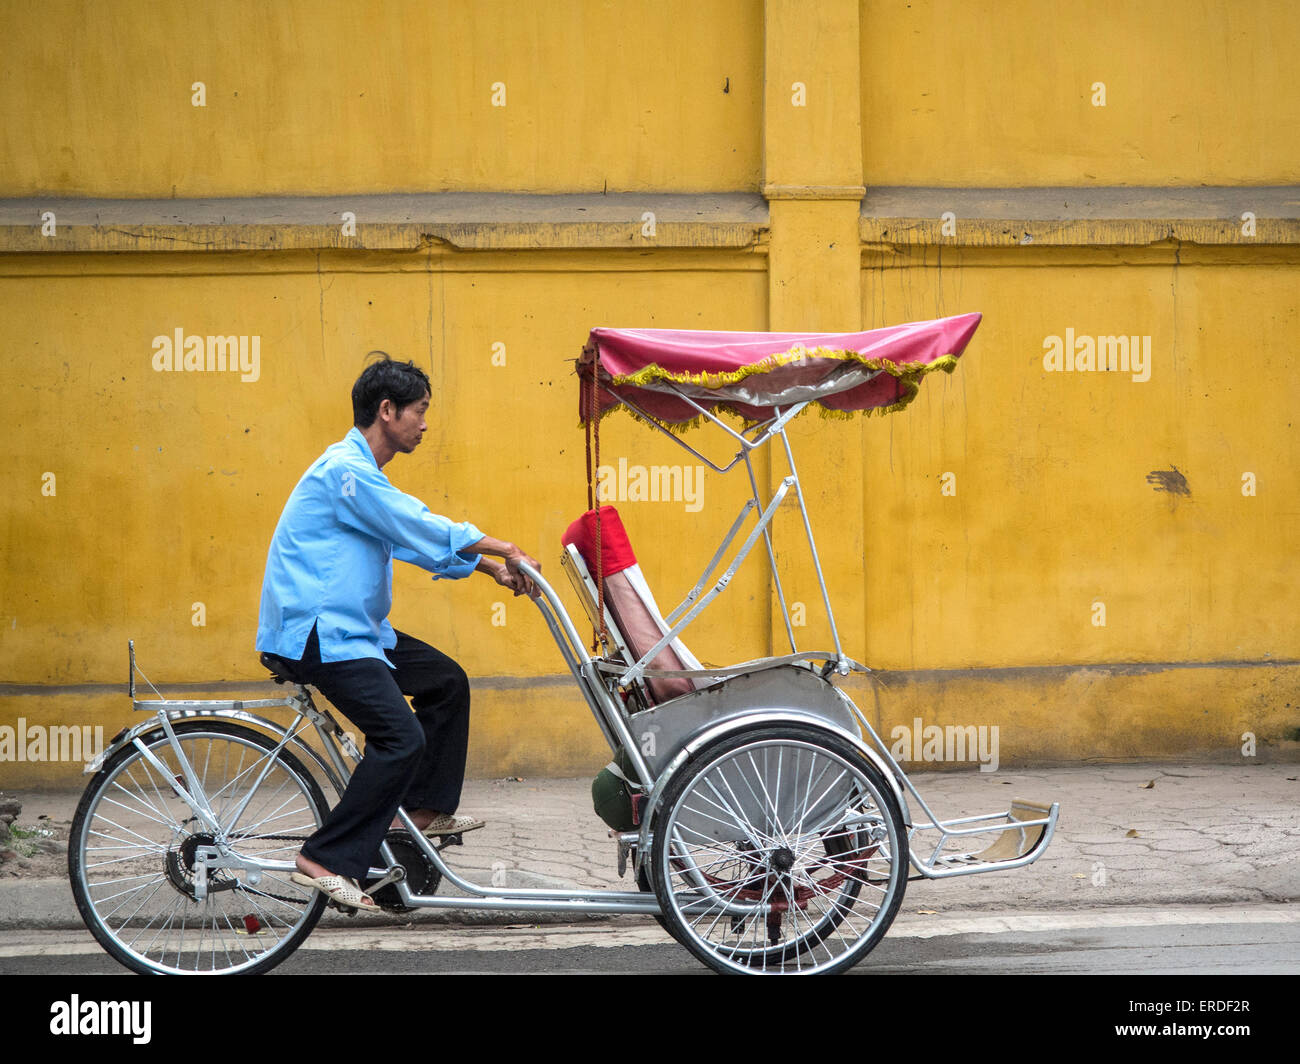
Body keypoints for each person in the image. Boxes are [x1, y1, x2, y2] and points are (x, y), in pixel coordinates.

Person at [256, 353, 540, 910]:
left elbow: (405, 539)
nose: (425, 424)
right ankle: (325, 858)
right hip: (319, 633)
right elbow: (412, 521)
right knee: (400, 738)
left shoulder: (363, 480)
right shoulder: (346, 471)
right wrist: (497, 544)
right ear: (387, 411)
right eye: (419, 411)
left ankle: (419, 814)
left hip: (357, 631)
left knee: (446, 682)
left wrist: (487, 570)